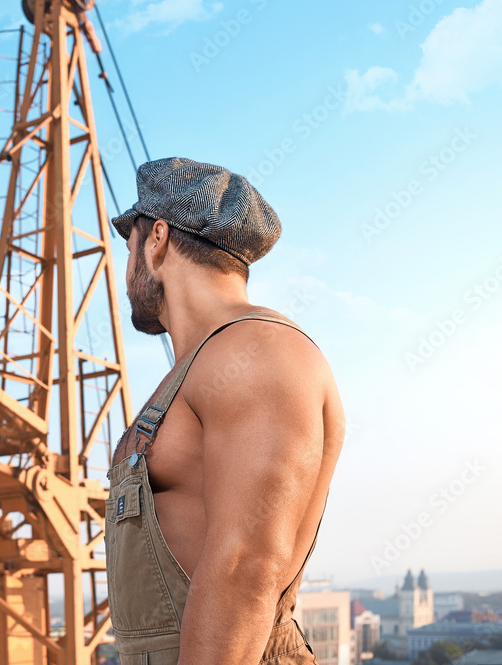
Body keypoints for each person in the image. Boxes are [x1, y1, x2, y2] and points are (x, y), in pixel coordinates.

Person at [105, 158, 345, 665]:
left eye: (128, 250)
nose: (126, 273)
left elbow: (245, 570)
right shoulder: (201, 366)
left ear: (158, 240)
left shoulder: (258, 352)